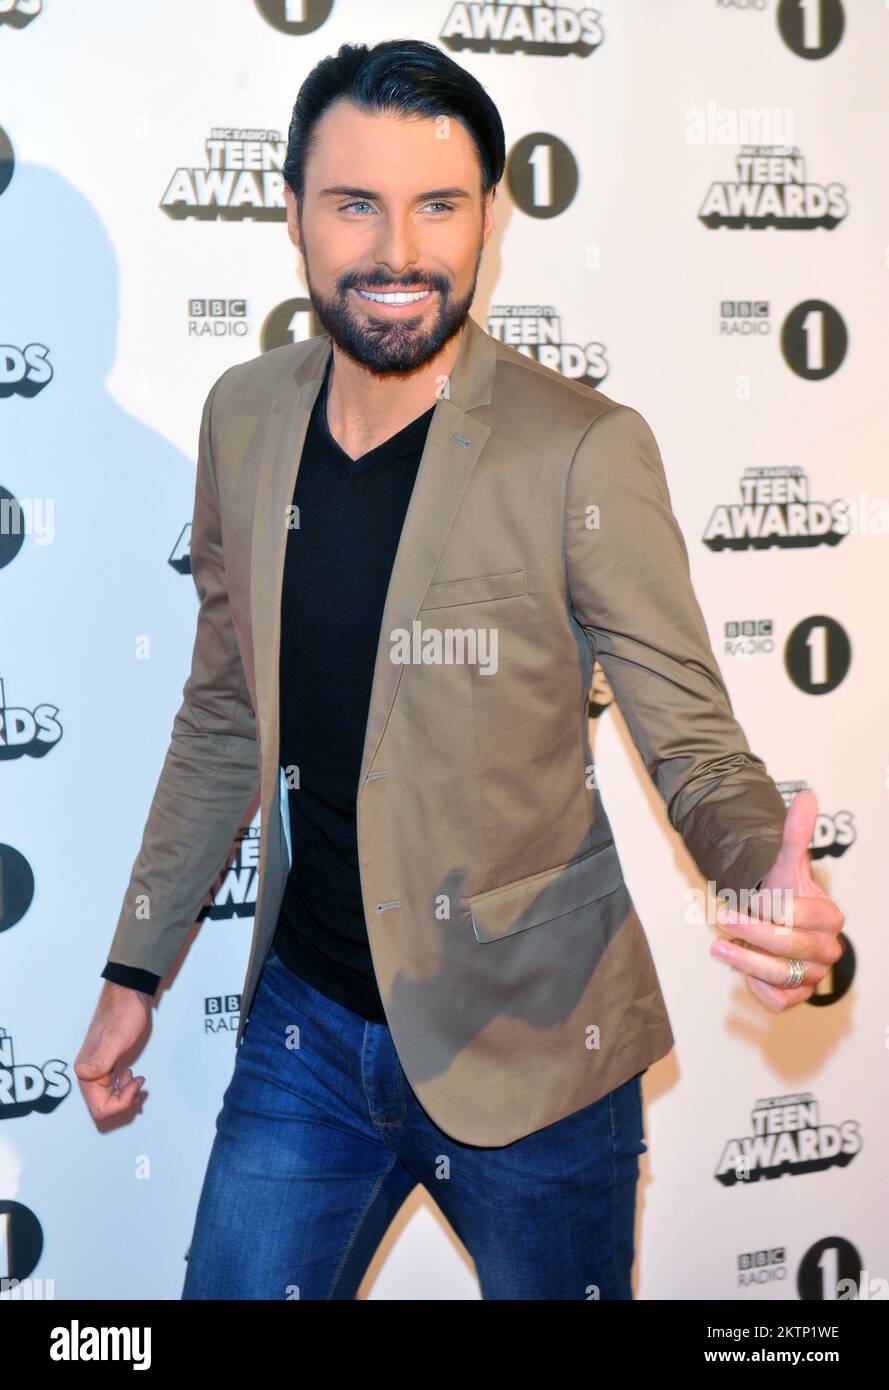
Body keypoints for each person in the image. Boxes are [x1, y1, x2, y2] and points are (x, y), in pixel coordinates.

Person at [75, 39, 845, 1300]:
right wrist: (131, 969)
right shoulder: (243, 417)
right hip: (303, 1029)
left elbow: (694, 748)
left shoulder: (581, 451)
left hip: (536, 1051)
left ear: (491, 215)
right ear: (291, 215)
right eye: (355, 203)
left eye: (439, 205)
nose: (397, 250)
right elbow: (224, 712)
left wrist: (760, 869)